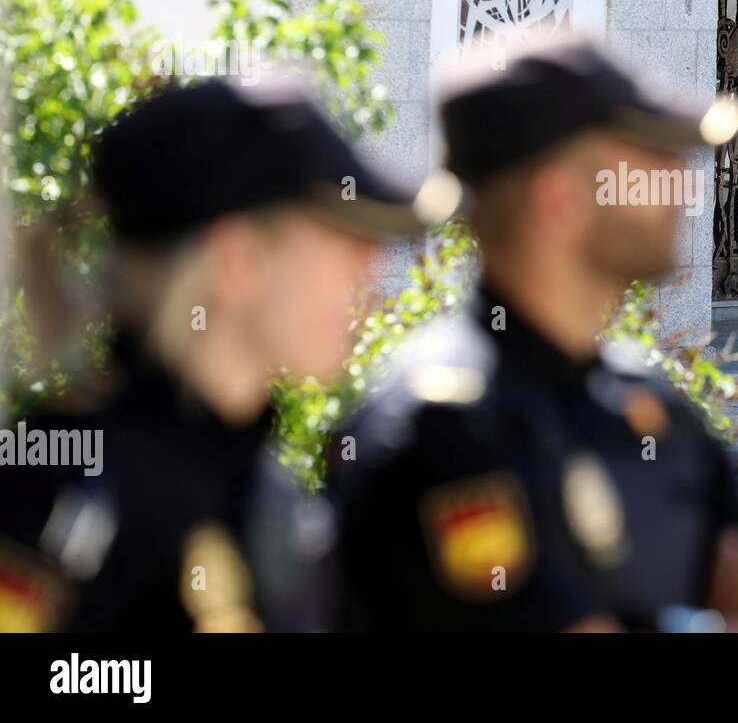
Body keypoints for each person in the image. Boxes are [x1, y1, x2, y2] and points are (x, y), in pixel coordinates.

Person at [330, 34, 738, 632]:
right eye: (651, 157)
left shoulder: (644, 399)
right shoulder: (443, 429)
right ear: (558, 196)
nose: (682, 186)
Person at [0, 74, 432, 632]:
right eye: (350, 241)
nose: (369, 277)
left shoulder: (252, 474)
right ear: (238, 260)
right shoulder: (52, 479)